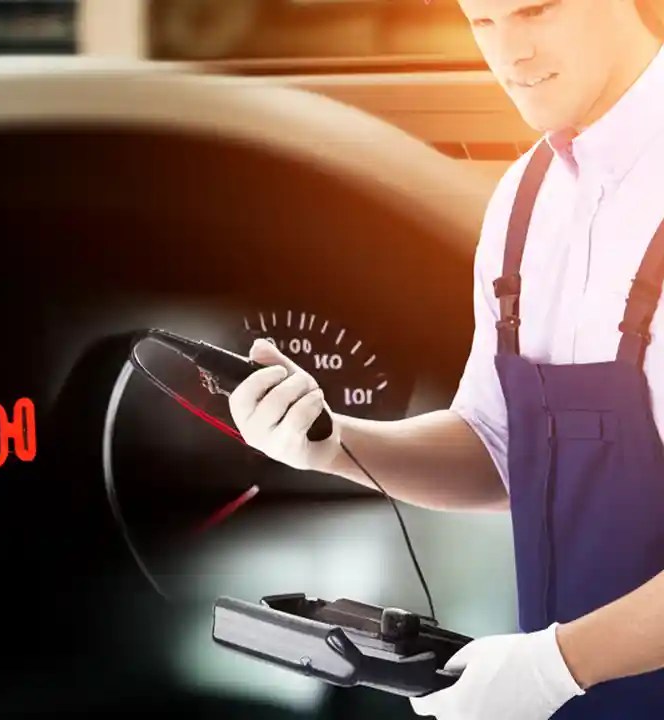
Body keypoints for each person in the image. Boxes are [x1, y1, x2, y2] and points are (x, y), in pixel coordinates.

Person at [227, 1, 664, 718]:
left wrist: (554, 667)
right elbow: (499, 450)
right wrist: (335, 444)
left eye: (535, 10)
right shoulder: (527, 201)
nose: (509, 56)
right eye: (481, 22)